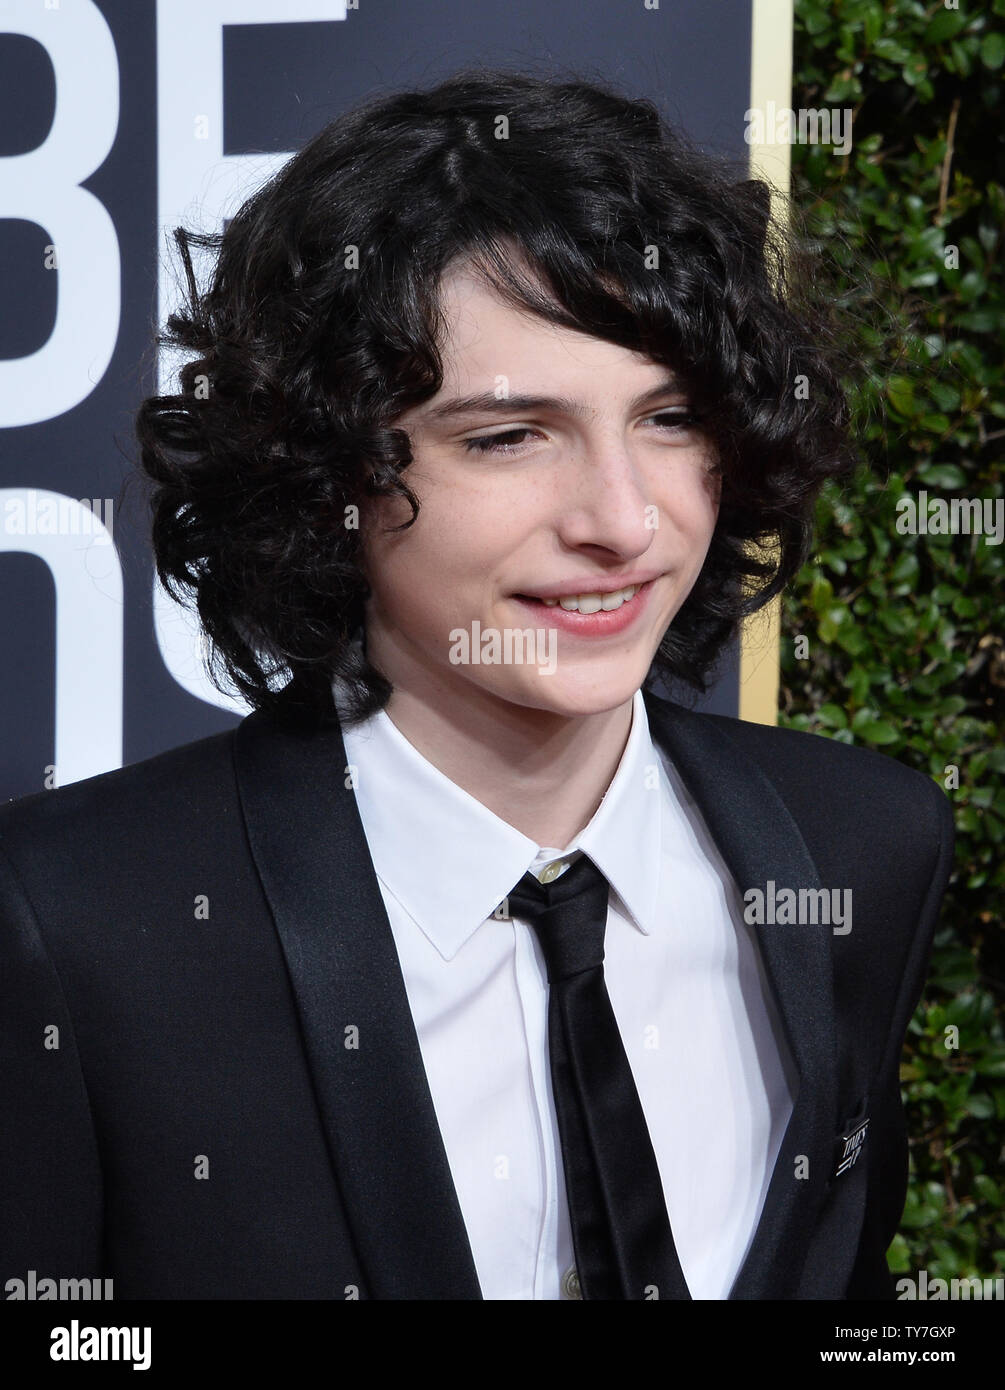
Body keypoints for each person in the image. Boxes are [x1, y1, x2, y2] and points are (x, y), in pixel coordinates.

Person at [0, 68, 954, 1301]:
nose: (625, 519)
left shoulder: (861, 846)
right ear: (321, 472)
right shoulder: (74, 920)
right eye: (508, 437)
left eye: (670, 418)